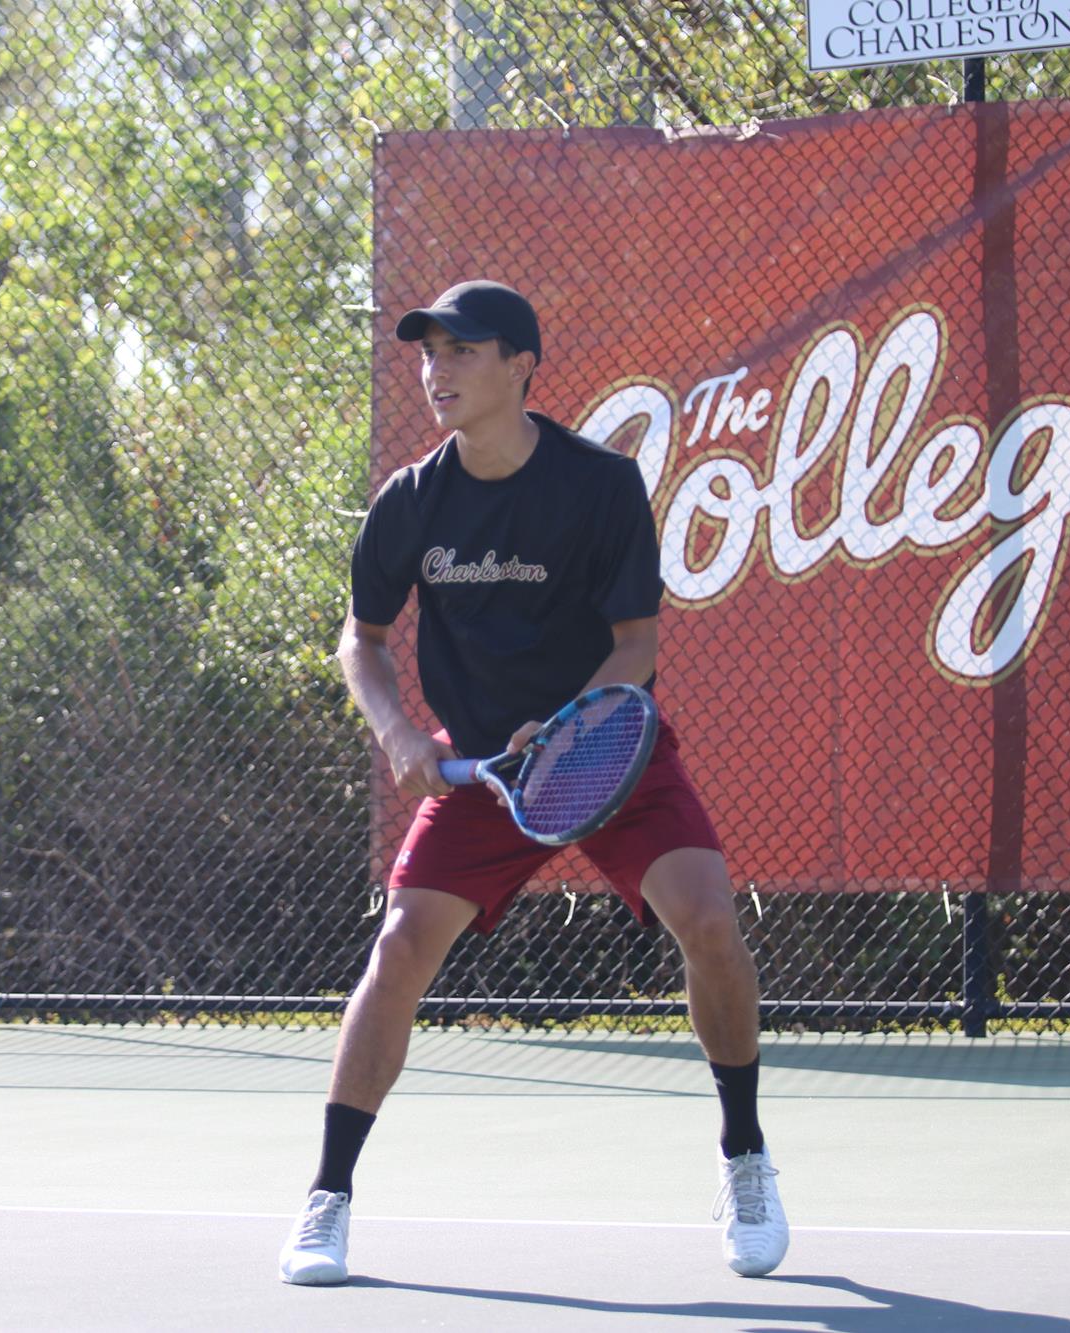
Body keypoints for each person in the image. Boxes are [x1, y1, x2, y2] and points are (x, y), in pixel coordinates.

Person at [278, 280, 788, 1286]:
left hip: (606, 749)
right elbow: (362, 639)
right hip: (481, 771)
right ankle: (326, 1197)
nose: (437, 370)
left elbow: (634, 645)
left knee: (708, 916)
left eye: (461, 351)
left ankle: (743, 1156)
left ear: (519, 367)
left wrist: (563, 730)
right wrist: (395, 728)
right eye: (427, 352)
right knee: (399, 942)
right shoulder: (410, 503)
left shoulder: (598, 487)